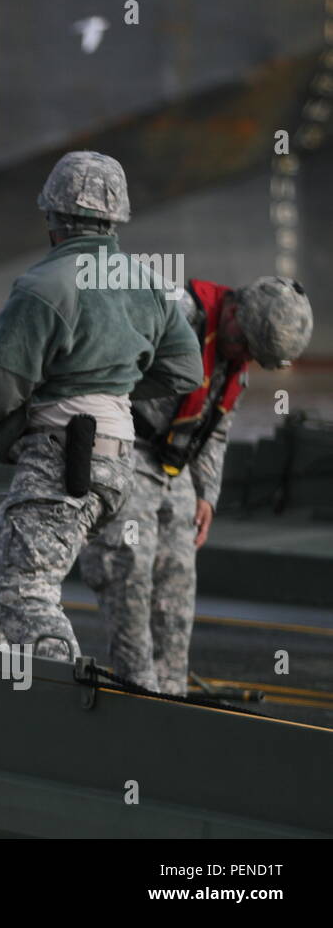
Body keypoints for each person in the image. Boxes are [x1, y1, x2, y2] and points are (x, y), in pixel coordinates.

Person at [0, 151, 203, 662]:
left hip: (63, 458)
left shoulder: (43, 287)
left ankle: (61, 697)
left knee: (25, 592)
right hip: (116, 460)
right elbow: (184, 372)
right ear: (114, 218)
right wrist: (112, 383)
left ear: (53, 219)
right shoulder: (149, 283)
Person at [79, 276, 313, 694]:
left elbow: (215, 432)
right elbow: (96, 345)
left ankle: (169, 686)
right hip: (125, 446)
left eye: (252, 355)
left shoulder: (235, 360)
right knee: (128, 567)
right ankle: (137, 683)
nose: (243, 357)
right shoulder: (172, 308)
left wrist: (207, 493)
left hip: (175, 467)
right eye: (244, 345)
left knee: (177, 580)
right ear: (236, 312)